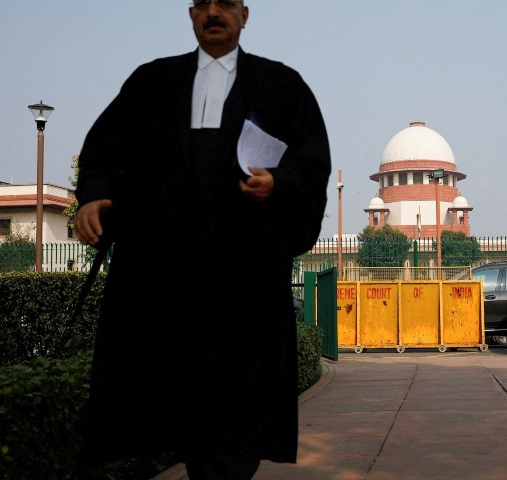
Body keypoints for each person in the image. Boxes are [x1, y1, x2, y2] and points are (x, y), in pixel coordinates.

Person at [73, 0, 331, 478]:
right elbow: (104, 151)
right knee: (173, 403)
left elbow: (311, 165)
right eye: (205, 4)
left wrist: (279, 182)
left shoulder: (281, 86)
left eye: (226, 3)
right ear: (191, 14)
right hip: (164, 280)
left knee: (238, 412)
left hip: (244, 283)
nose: (215, 12)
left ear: (245, 14)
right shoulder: (152, 83)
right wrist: (93, 197)